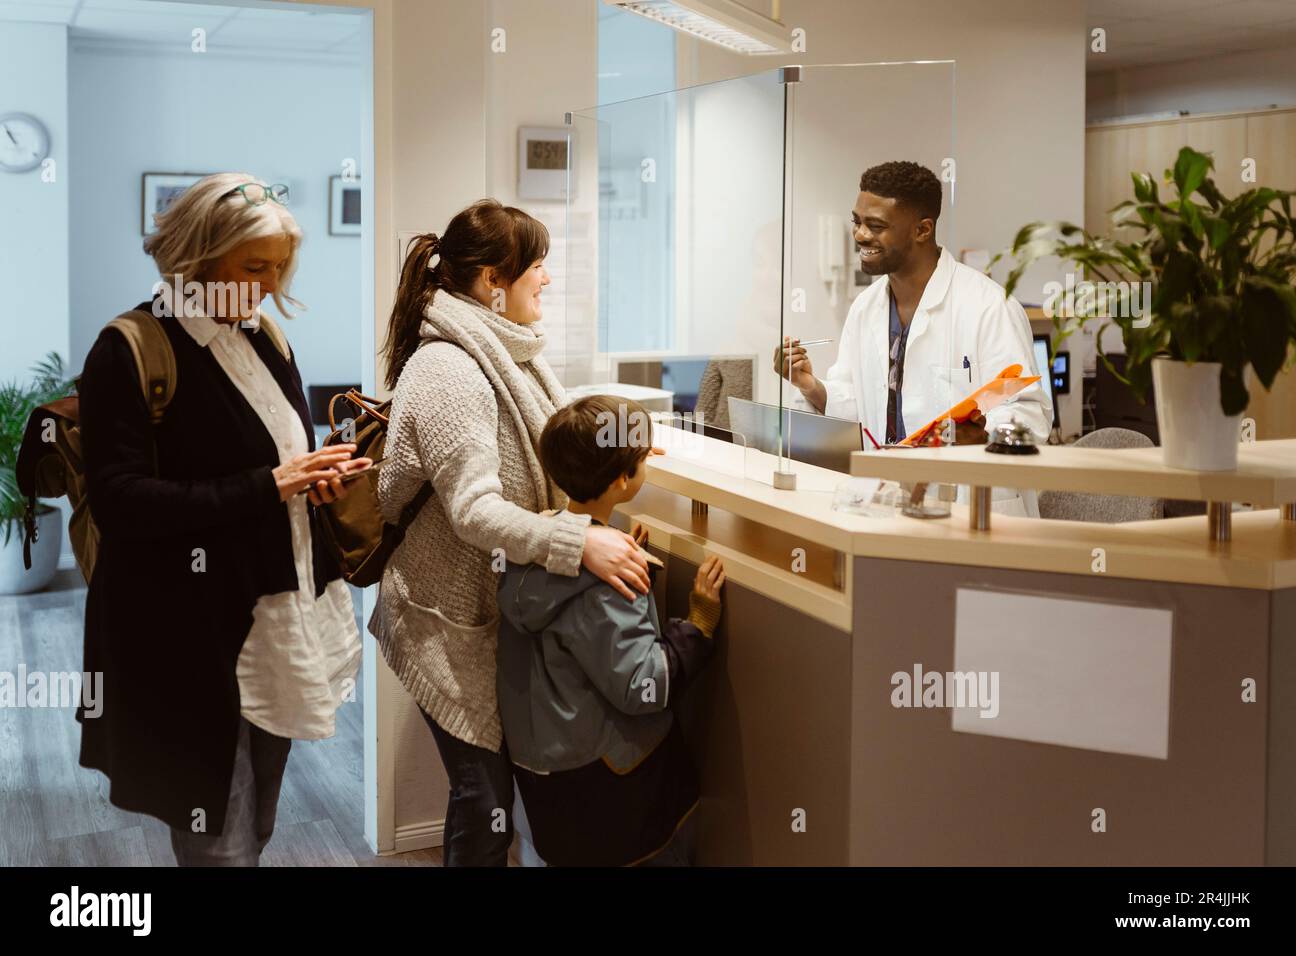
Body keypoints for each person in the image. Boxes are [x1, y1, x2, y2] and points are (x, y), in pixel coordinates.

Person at [78, 172, 371, 866]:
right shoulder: (130, 349)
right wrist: (268, 484)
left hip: (276, 612)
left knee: (258, 821)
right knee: (216, 836)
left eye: (279, 268)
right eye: (254, 267)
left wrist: (314, 478)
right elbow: (121, 502)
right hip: (188, 629)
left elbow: (277, 460)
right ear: (196, 257)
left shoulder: (266, 337)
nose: (270, 285)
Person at [372, 200, 654, 866]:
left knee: (488, 805)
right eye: (538, 268)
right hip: (445, 622)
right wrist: (577, 541)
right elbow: (474, 511)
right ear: (494, 280)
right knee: (484, 804)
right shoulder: (450, 370)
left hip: (480, 617)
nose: (548, 282)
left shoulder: (506, 353)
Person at [496, 395, 724, 866]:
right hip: (610, 784)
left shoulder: (532, 549)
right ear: (623, 480)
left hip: (547, 777)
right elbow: (643, 686)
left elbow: (578, 634)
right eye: (642, 459)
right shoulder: (607, 583)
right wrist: (697, 625)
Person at [775, 161, 1050, 513]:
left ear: (922, 229)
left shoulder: (988, 306)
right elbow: (858, 406)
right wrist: (811, 385)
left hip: (971, 507)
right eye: (856, 222)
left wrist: (982, 434)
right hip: (888, 501)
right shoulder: (866, 308)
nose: (860, 235)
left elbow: (1027, 412)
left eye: (875, 226)